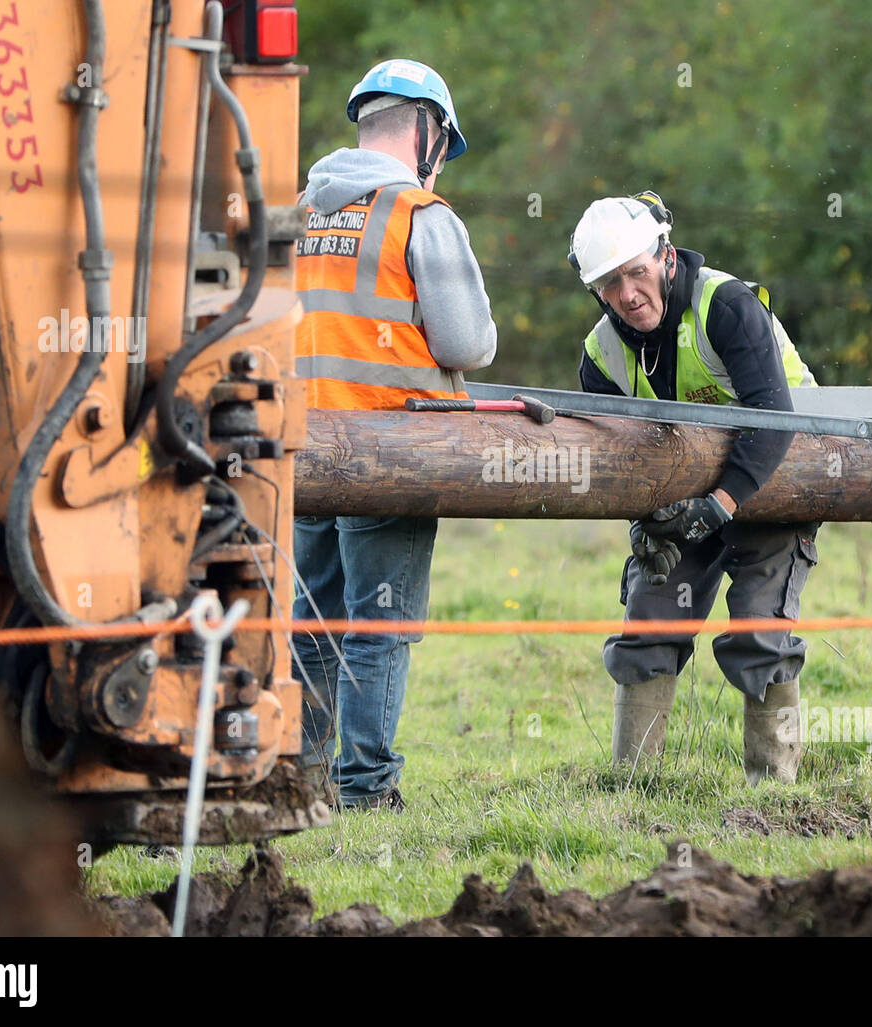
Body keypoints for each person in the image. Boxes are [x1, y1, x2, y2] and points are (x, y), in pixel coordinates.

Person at [292, 59, 497, 811]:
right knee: (379, 626)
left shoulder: (301, 209)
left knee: (310, 621)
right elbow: (468, 344)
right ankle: (367, 789)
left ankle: (302, 777)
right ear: (427, 130)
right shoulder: (420, 215)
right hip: (392, 451)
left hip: (306, 447)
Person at [569, 191, 819, 785]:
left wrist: (723, 504)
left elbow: (772, 416)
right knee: (648, 625)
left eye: (636, 272)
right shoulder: (600, 354)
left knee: (761, 631)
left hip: (777, 482)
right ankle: (632, 792)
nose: (627, 294)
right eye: (609, 283)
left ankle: (773, 793)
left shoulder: (726, 305)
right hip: (681, 506)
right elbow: (617, 455)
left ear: (666, 256)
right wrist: (645, 520)